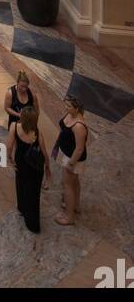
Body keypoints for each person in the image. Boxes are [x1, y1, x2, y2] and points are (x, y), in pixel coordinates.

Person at [7, 105, 52, 234]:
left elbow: (9, 146)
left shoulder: (14, 127)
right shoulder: (37, 131)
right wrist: (47, 167)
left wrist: (9, 159)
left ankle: (21, 208)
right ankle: (32, 223)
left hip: (21, 163)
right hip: (35, 167)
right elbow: (44, 152)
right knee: (33, 194)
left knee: (21, 185)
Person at [54, 96, 88, 226]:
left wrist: (71, 164)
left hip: (74, 159)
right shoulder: (70, 114)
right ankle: (76, 205)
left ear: (77, 108)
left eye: (68, 106)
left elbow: (79, 149)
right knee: (74, 182)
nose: (65, 108)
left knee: (67, 185)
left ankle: (69, 216)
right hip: (68, 154)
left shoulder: (79, 126)